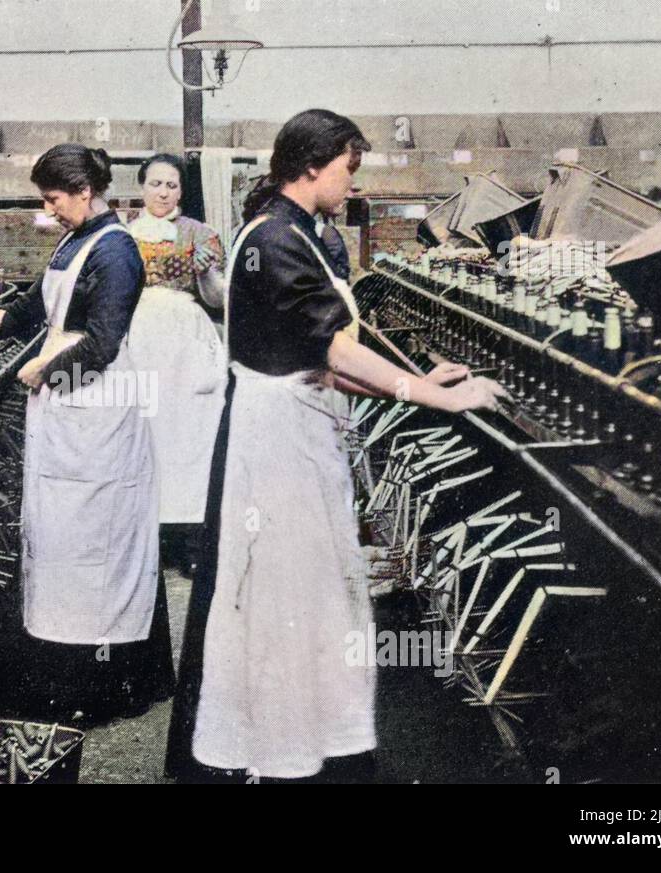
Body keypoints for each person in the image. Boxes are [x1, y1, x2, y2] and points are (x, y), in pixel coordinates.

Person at [165, 109, 506, 783]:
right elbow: (329, 346)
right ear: (314, 163)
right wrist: (430, 395)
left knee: (310, 596)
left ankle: (313, 742)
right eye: (349, 168)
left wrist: (411, 379)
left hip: (300, 428)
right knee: (283, 596)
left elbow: (334, 357)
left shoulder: (296, 233)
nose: (352, 183)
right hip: (277, 439)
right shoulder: (277, 239)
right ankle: (279, 749)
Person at [0, 144, 173, 722]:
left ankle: (104, 688)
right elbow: (26, 316)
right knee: (63, 545)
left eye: (54, 198)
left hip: (99, 415)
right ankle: (63, 673)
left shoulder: (117, 251)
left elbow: (104, 344)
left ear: (84, 191)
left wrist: (42, 371)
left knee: (98, 549)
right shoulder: (72, 242)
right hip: (66, 414)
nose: (50, 209)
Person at [124, 154, 228, 572]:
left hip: (186, 342)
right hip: (142, 340)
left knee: (192, 437)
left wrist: (205, 275)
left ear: (182, 191)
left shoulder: (201, 235)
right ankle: (150, 542)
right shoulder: (123, 236)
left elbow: (219, 300)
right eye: (155, 184)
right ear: (141, 187)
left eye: (172, 185)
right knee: (146, 434)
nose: (163, 193)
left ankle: (191, 544)